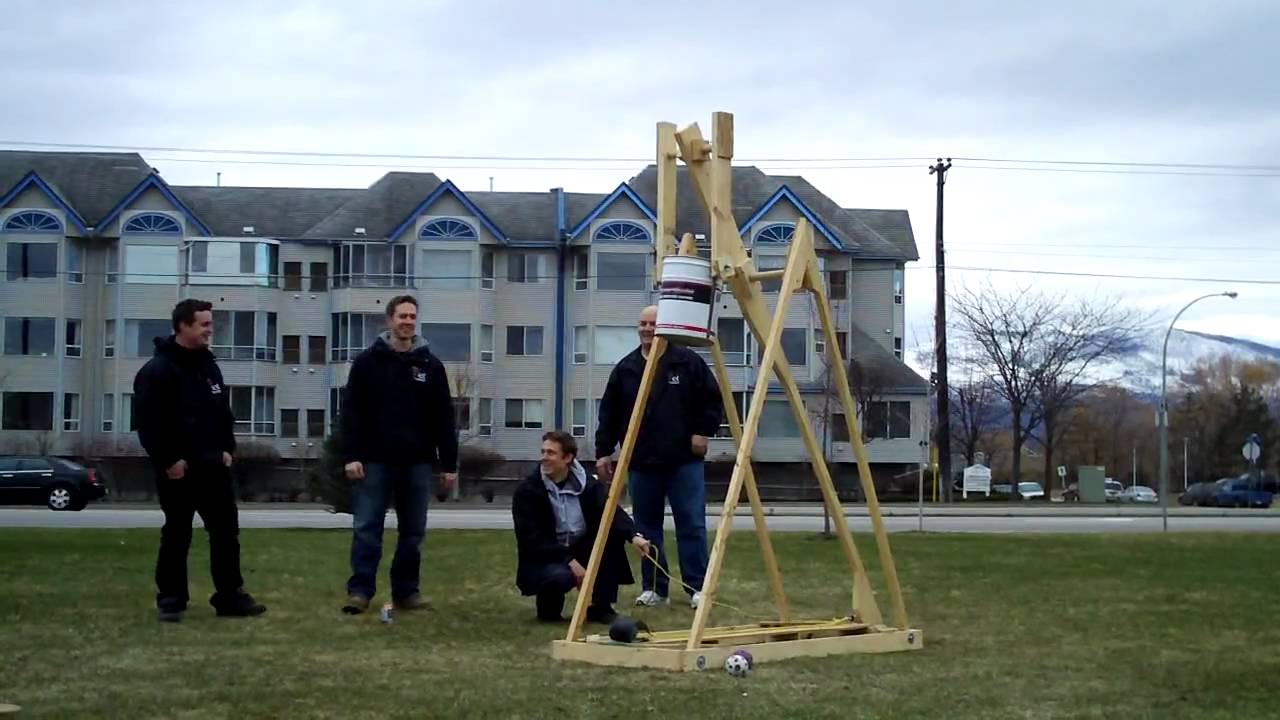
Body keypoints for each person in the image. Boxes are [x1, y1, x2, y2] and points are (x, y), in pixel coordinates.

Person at [133, 298, 266, 623]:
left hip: (214, 468)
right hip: (179, 470)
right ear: (183, 326)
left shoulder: (209, 366)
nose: (210, 329)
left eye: (210, 323)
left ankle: (229, 596)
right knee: (177, 534)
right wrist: (168, 460)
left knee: (225, 534)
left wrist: (227, 449)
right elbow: (149, 423)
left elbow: (222, 413)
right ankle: (171, 599)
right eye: (204, 324)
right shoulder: (158, 371)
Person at [594, 305, 723, 609]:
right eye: (643, 324)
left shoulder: (687, 362)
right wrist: (603, 452)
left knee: (690, 523)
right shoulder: (626, 369)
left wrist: (703, 431)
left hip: (683, 461)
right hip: (641, 462)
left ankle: (697, 588)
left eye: (653, 324)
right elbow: (609, 415)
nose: (648, 329)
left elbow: (712, 400)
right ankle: (654, 588)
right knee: (646, 526)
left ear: (664, 327)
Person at [337, 295, 458, 615]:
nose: (407, 321)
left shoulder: (431, 366)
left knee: (413, 532)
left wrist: (449, 464)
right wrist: (350, 455)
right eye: (402, 316)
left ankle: (407, 592)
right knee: (366, 529)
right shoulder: (367, 363)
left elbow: (444, 419)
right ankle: (360, 591)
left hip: (416, 463)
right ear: (389, 320)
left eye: (412, 316)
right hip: (374, 461)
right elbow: (351, 413)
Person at [512, 431, 651, 624]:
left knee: (609, 538)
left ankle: (601, 608)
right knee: (559, 577)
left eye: (551, 453)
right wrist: (570, 561)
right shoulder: (528, 491)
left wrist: (634, 536)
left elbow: (610, 511)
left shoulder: (588, 485)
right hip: (547, 553)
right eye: (543, 452)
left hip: (580, 544)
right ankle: (548, 609)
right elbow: (532, 540)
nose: (544, 458)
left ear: (568, 457)